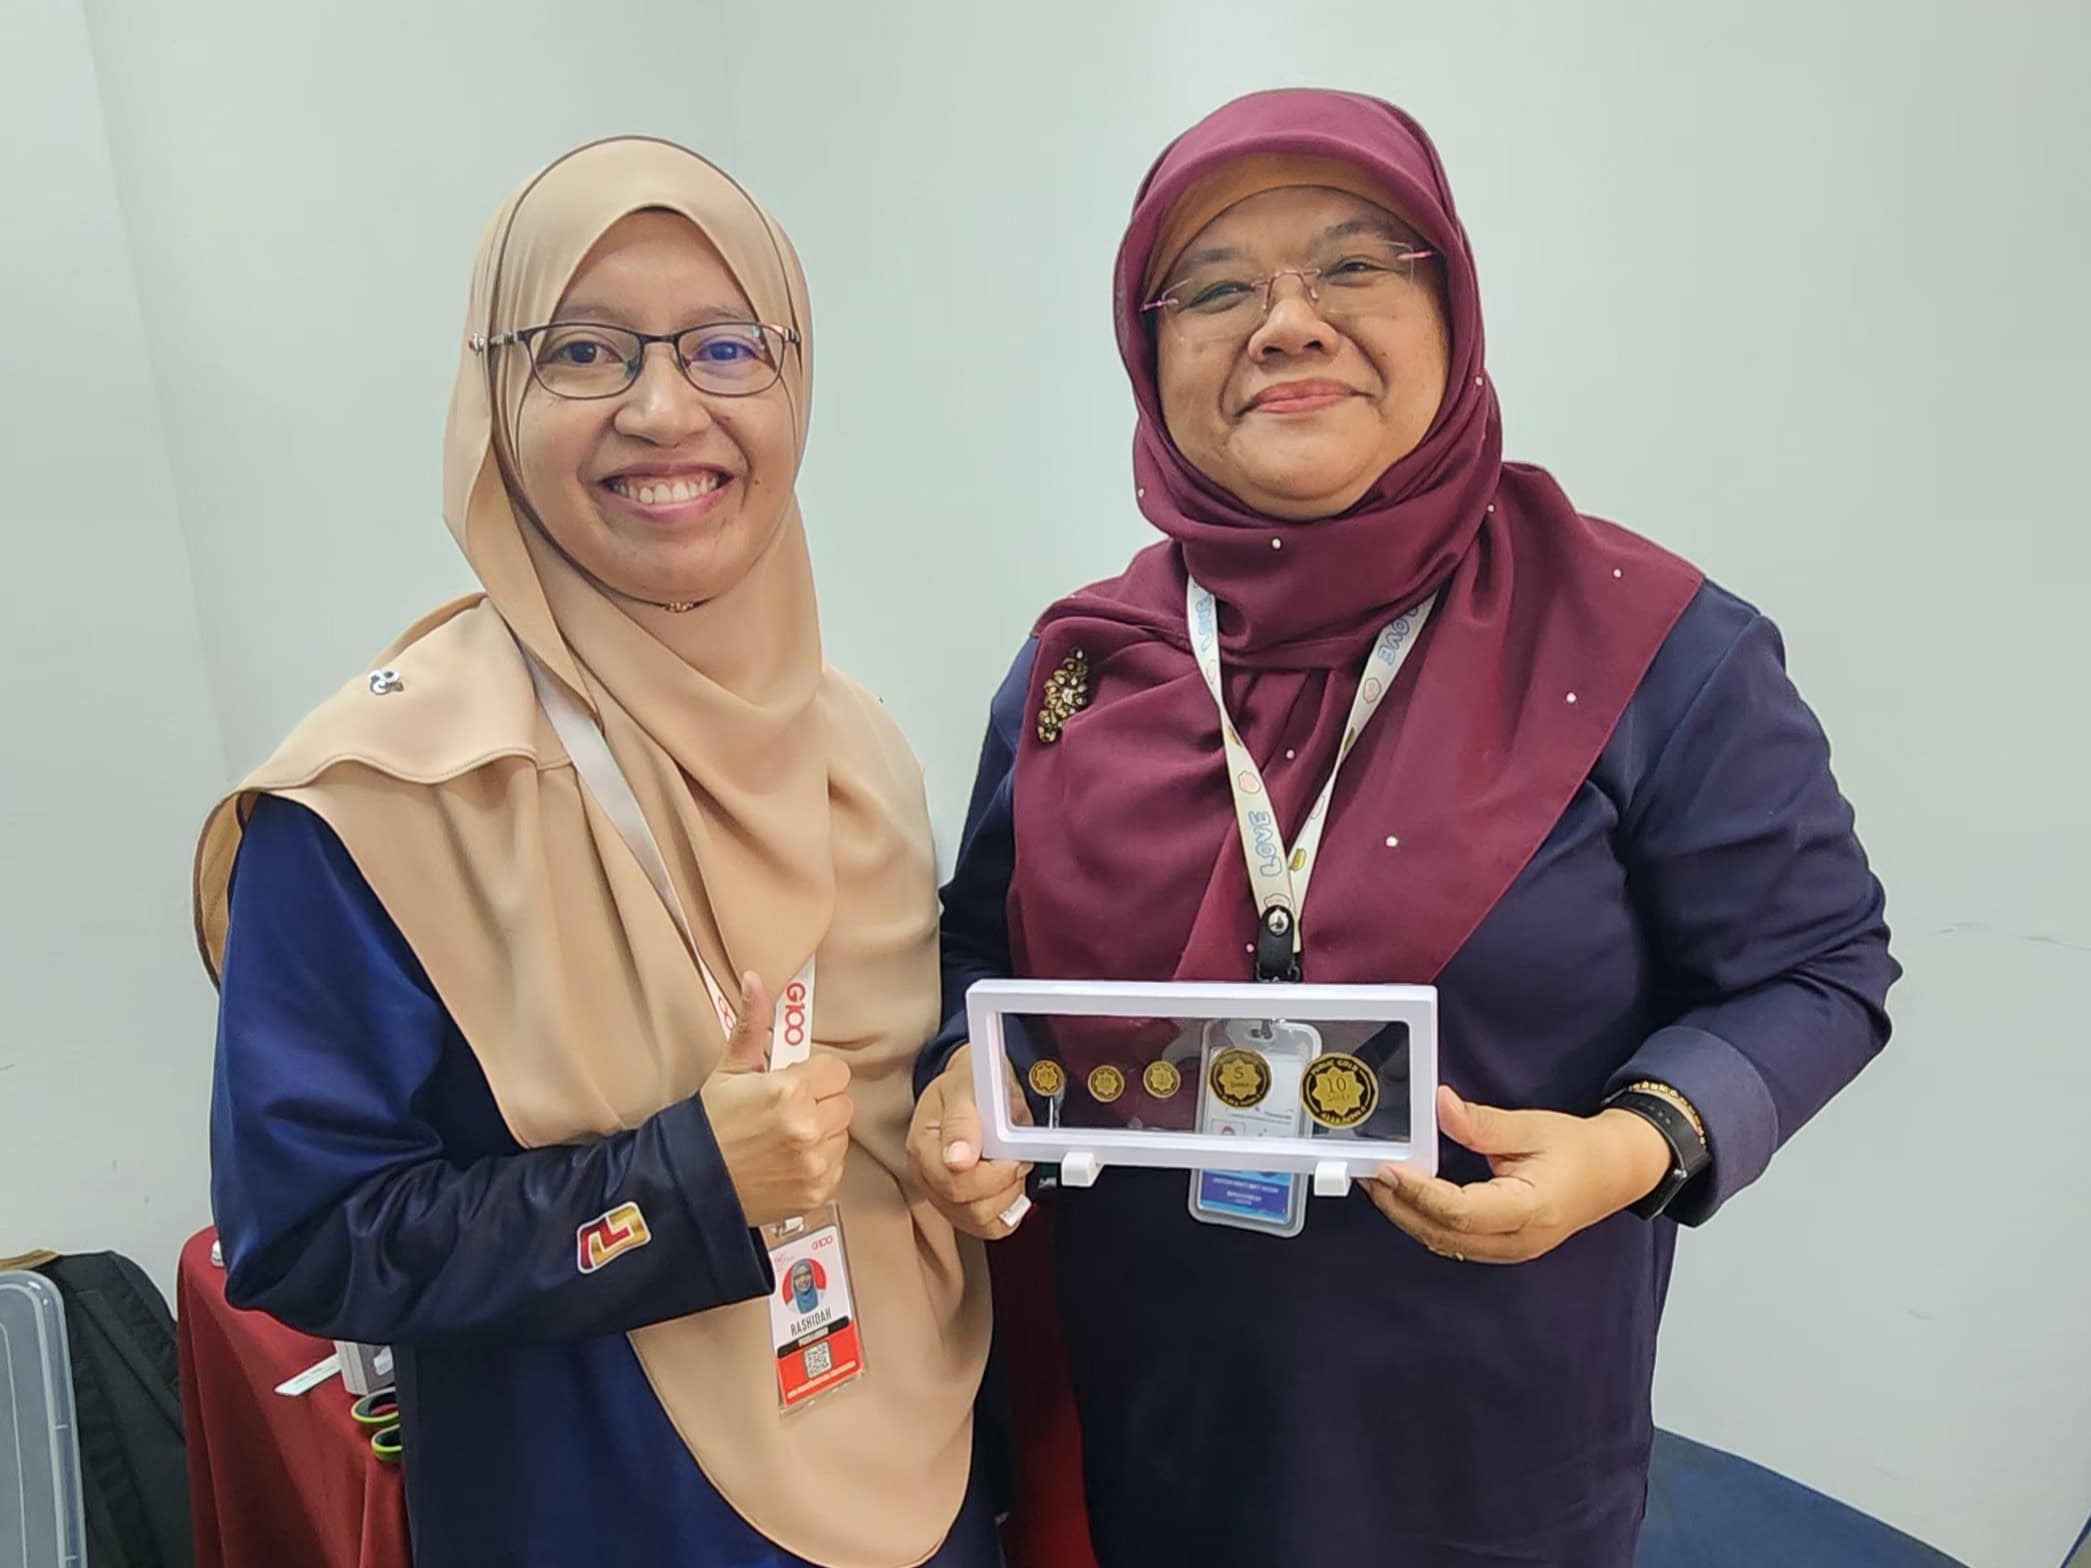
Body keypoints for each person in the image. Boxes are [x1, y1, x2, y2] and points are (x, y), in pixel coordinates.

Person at [909, 88, 1898, 1568]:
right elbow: (975, 953)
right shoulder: (1079, 669)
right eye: (1218, 288)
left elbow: (1821, 969)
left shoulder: (1645, 643)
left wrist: (1633, 1150)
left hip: (1492, 1443)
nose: (1287, 324)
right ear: (1148, 348)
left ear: (1456, 303)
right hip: (1151, 1416)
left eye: (1357, 265)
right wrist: (945, 1089)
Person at [195, 136, 995, 1568]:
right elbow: (310, 1238)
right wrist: (682, 1180)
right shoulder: (380, 802)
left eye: (726, 346)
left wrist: (949, 1117)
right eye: (583, 350)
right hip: (601, 1513)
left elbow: (887, 1082)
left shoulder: (854, 745)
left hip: (923, 1476)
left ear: (793, 383)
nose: (663, 405)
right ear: (495, 395)